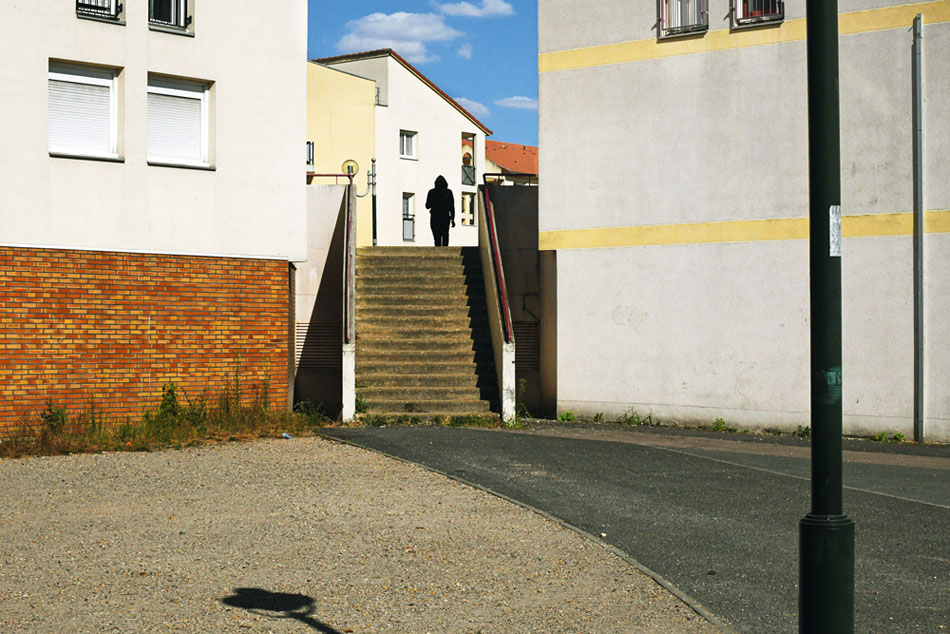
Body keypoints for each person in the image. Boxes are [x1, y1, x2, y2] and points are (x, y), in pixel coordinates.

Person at [425, 175, 455, 246]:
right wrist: (452, 219)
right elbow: (451, 207)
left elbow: (427, 206)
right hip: (444, 216)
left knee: (437, 237)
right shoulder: (448, 192)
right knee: (444, 235)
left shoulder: (432, 192)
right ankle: (444, 249)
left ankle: (439, 249)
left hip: (436, 216)